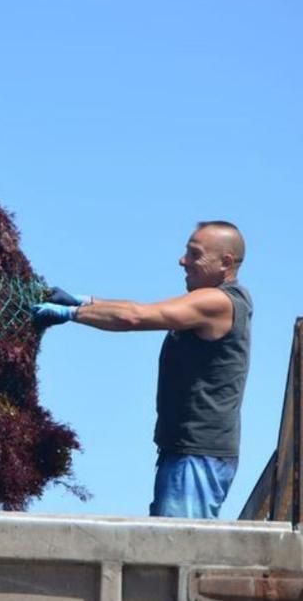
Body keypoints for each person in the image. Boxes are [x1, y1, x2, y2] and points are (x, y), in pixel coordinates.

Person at [33, 221, 252, 519]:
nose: (183, 261)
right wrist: (87, 301)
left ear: (225, 262)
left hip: (196, 455)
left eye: (194, 254)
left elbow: (136, 316)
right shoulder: (214, 300)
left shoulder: (218, 301)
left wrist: (71, 314)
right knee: (167, 541)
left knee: (180, 545)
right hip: (186, 451)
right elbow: (137, 307)